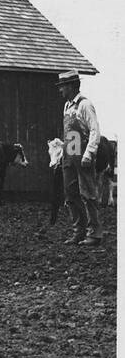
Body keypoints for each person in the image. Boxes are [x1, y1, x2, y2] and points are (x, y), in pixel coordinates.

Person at [58, 70, 102, 247]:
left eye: (62, 87)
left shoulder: (85, 105)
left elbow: (94, 131)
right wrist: (63, 154)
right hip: (69, 154)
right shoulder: (67, 106)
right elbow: (69, 133)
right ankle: (79, 231)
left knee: (88, 194)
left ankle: (95, 233)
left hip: (82, 155)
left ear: (71, 86)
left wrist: (89, 153)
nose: (60, 90)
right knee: (71, 194)